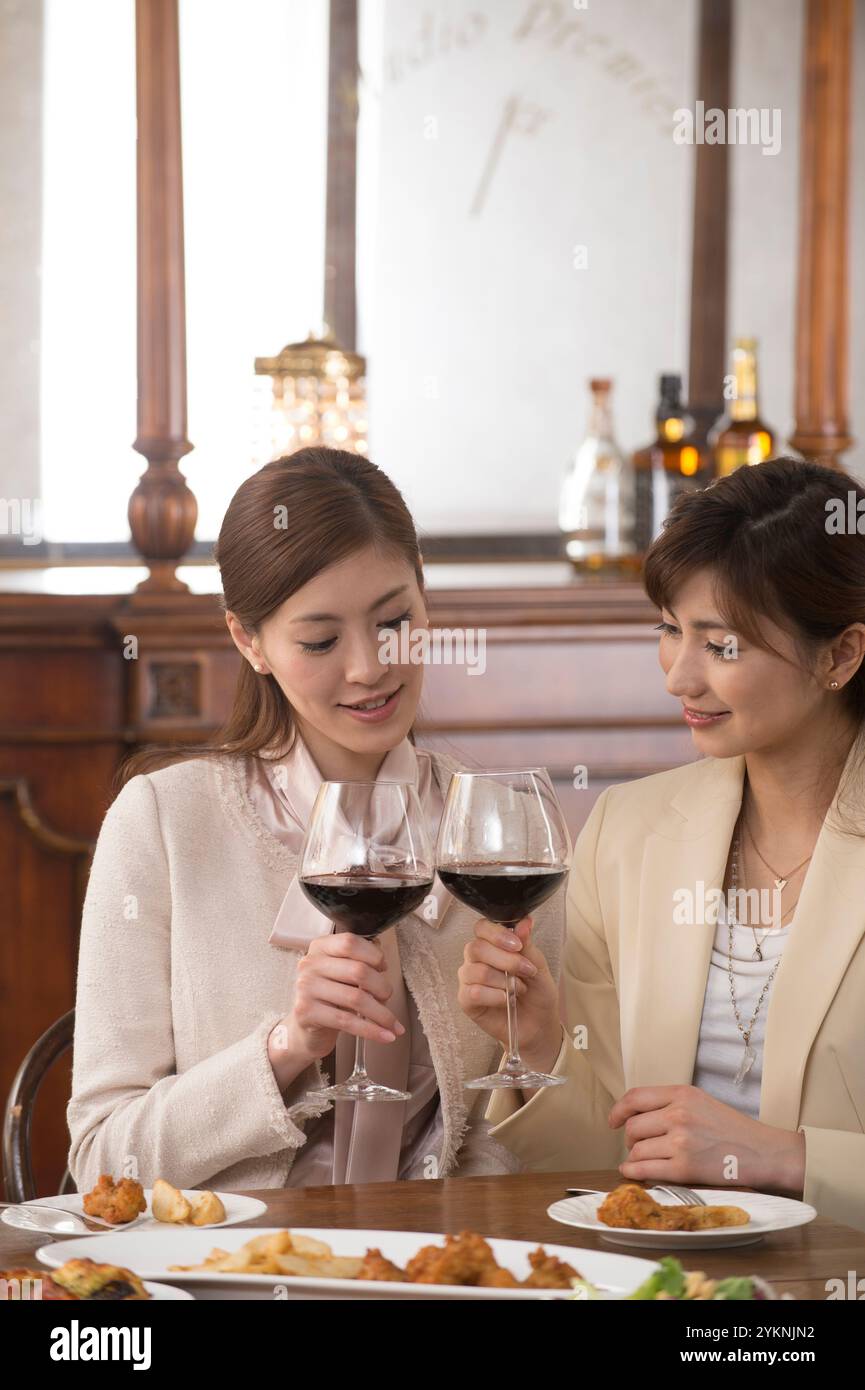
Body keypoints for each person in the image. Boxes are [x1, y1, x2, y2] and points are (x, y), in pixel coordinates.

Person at [67, 447, 564, 1193]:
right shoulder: (164, 823)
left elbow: (554, 1156)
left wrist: (546, 1047)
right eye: (320, 641)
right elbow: (103, 1159)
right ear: (248, 641)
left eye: (394, 621)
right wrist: (286, 1047)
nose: (367, 667)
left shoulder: (498, 834)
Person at [459, 457, 865, 1232]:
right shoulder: (628, 830)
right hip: (667, 1279)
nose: (678, 677)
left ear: (838, 655)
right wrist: (543, 1045)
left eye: (720, 646)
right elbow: (603, 1157)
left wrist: (783, 1157)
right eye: (668, 632)